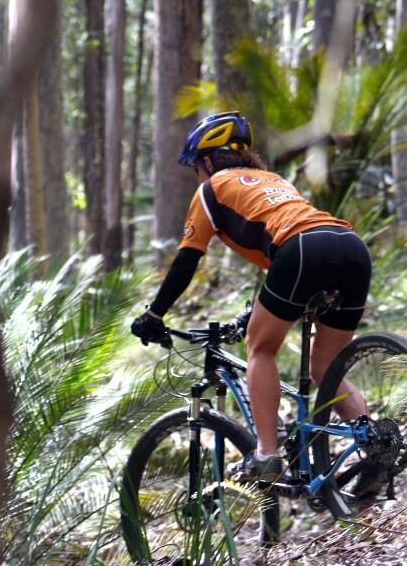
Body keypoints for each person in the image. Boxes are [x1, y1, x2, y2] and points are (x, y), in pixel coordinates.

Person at [131, 111, 372, 483]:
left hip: (303, 249)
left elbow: (187, 258)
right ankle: (375, 446)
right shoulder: (273, 180)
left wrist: (155, 314)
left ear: (207, 161)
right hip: (351, 247)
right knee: (325, 367)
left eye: (196, 167)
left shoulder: (212, 188)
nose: (197, 175)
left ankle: (266, 455)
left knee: (259, 348)